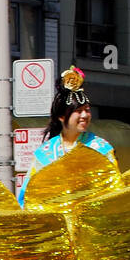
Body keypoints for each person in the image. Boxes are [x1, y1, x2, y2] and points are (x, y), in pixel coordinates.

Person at [18, 65, 116, 206]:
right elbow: (29, 194)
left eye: (87, 110)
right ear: (62, 116)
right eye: (79, 111)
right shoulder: (45, 153)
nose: (84, 115)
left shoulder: (100, 148)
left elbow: (114, 188)